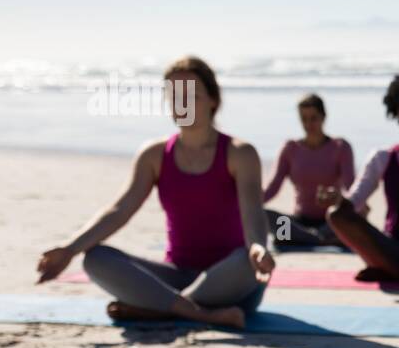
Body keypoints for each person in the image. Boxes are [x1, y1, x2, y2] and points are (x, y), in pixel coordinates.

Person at [34, 56, 275, 329]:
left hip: (230, 282)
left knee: (245, 260)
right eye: (174, 96)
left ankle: (160, 309)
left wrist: (257, 247)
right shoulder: (154, 155)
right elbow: (120, 209)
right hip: (175, 277)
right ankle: (197, 312)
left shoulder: (240, 153)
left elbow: (253, 211)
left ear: (213, 100)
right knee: (96, 258)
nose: (182, 104)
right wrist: (69, 249)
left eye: (191, 96)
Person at [326, 75, 399, 283]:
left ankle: (387, 268)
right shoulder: (382, 158)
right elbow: (353, 203)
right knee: (336, 214)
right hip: (391, 244)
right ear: (396, 115)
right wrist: (336, 198)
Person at [262, 93, 355, 247]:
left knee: (350, 217)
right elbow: (272, 188)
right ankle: (319, 240)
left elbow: (352, 189)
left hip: (331, 222)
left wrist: (338, 198)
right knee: (264, 215)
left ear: (323, 117)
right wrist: (248, 203)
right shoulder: (290, 149)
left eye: (313, 118)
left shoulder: (340, 147)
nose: (308, 124)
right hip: (299, 222)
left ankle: (310, 238)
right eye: (304, 119)